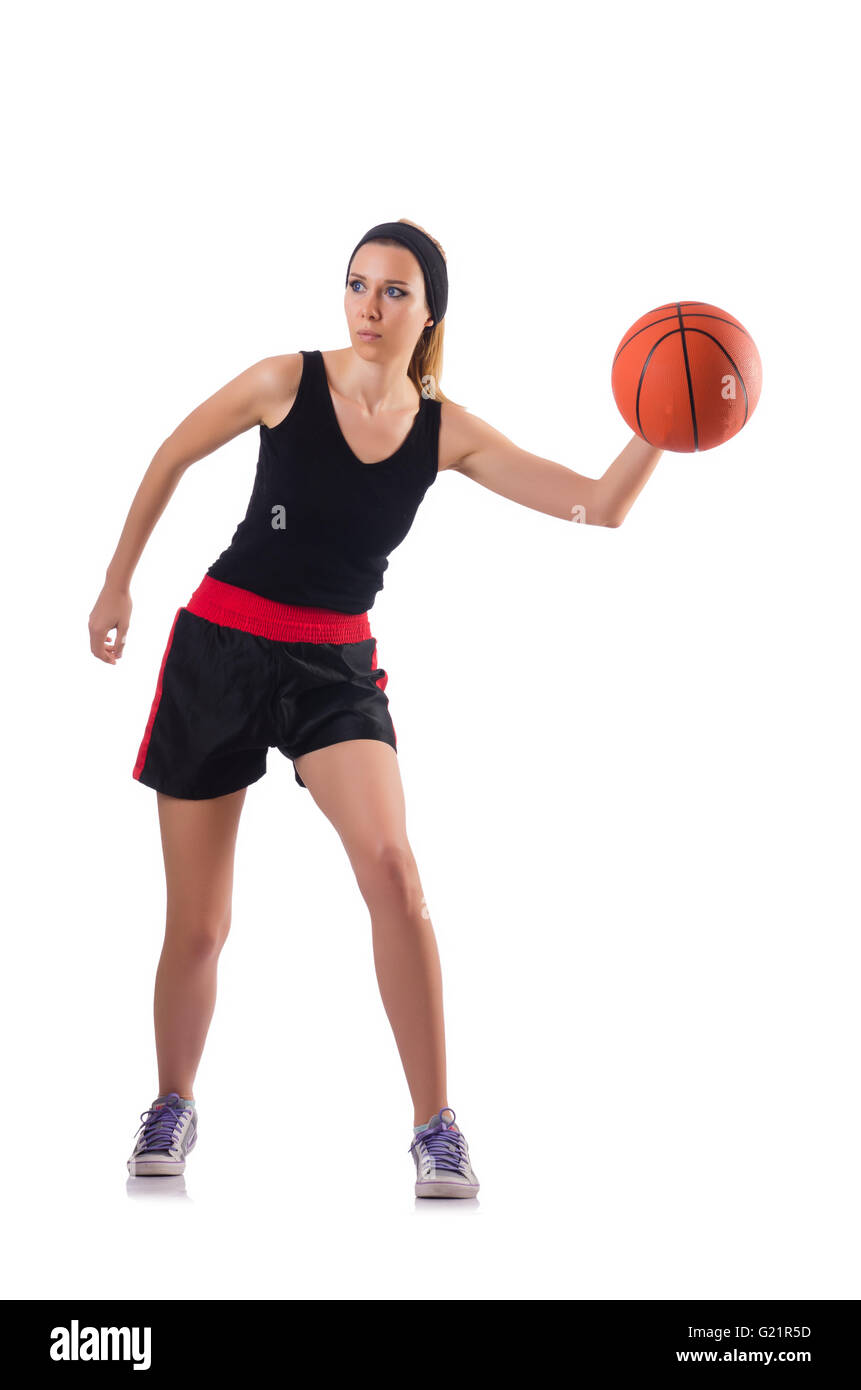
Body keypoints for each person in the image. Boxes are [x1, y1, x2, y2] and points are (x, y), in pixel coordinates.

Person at [89, 217, 663, 1198]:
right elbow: (170, 453)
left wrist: (662, 420)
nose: (369, 305)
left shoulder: (445, 429)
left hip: (333, 668)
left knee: (395, 871)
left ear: (430, 313)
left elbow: (597, 505)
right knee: (200, 924)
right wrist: (116, 583)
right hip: (220, 647)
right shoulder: (285, 380)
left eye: (395, 291)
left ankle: (436, 1125)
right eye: (358, 284)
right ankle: (172, 1102)